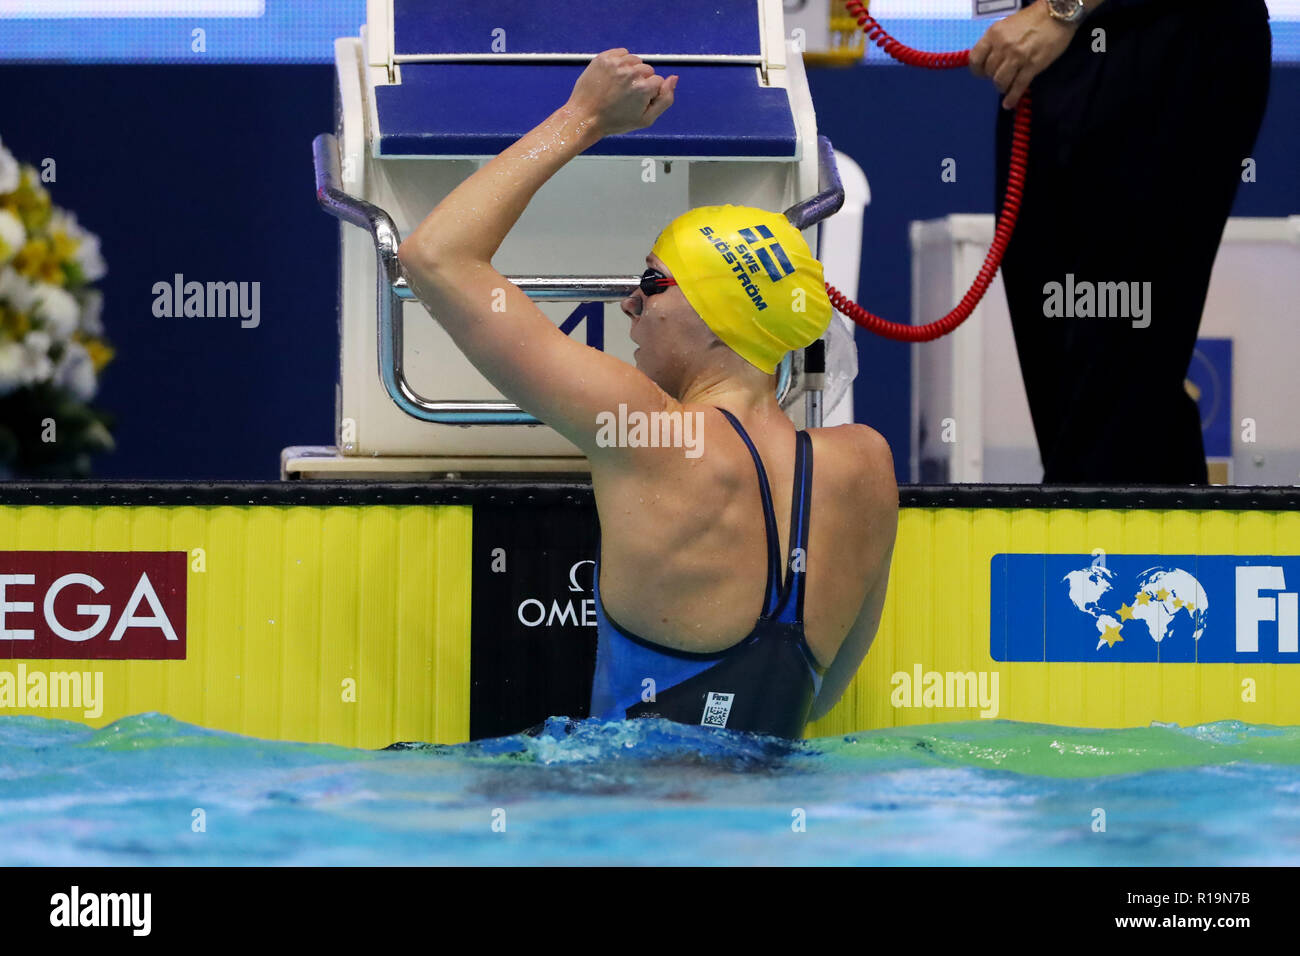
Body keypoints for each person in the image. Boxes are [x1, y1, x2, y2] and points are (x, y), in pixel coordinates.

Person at [397, 49, 898, 737]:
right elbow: (828, 691)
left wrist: (581, 119)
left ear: (721, 322)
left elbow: (435, 256)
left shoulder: (642, 431)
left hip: (628, 809)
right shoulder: (866, 464)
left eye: (654, 282)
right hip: (772, 822)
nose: (629, 302)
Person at [970, 0, 1272, 484]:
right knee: (1076, 393)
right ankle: (1176, 548)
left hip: (1164, 40)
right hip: (1051, 55)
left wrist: (1060, 10)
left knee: (1111, 400)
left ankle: (1089, 551)